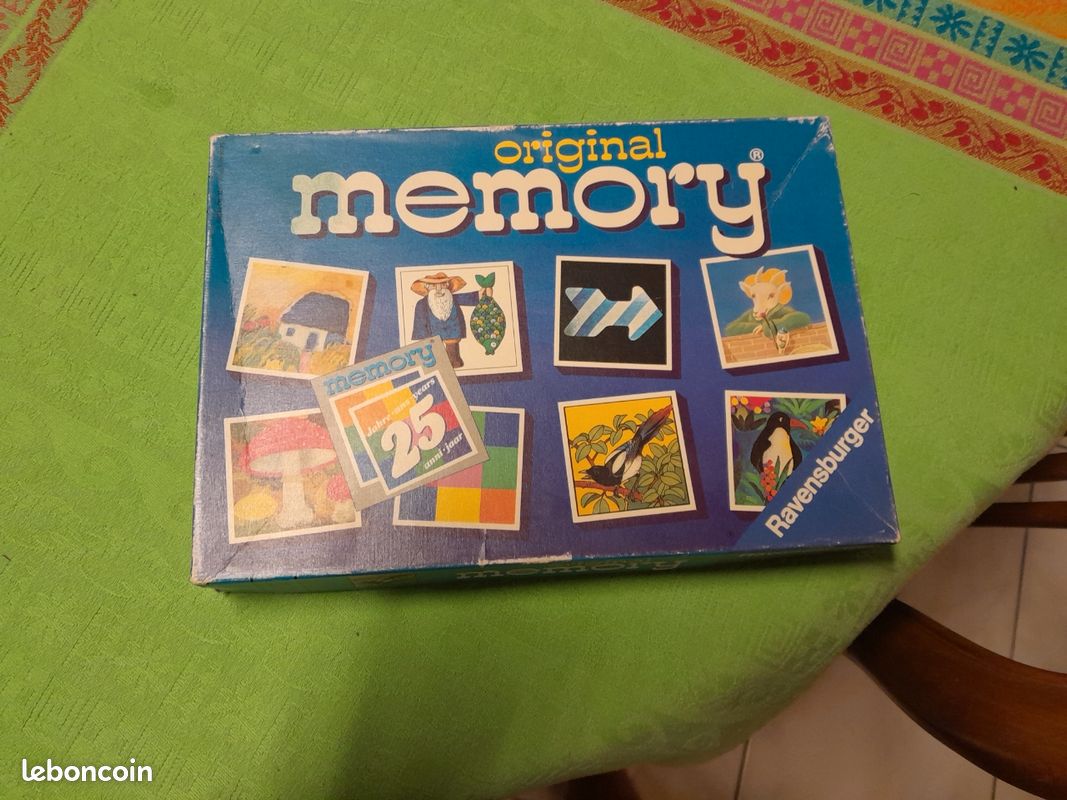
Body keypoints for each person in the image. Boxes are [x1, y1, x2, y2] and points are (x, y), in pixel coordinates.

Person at [410, 272, 489, 368]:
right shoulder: (422, 304)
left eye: (443, 285)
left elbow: (472, 298)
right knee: (435, 355)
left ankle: (454, 362)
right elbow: (420, 323)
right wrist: (423, 337)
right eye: (433, 286)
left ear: (448, 286)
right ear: (427, 288)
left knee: (453, 355)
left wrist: (483, 292)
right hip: (433, 335)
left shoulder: (452, 298)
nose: (439, 289)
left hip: (452, 331)